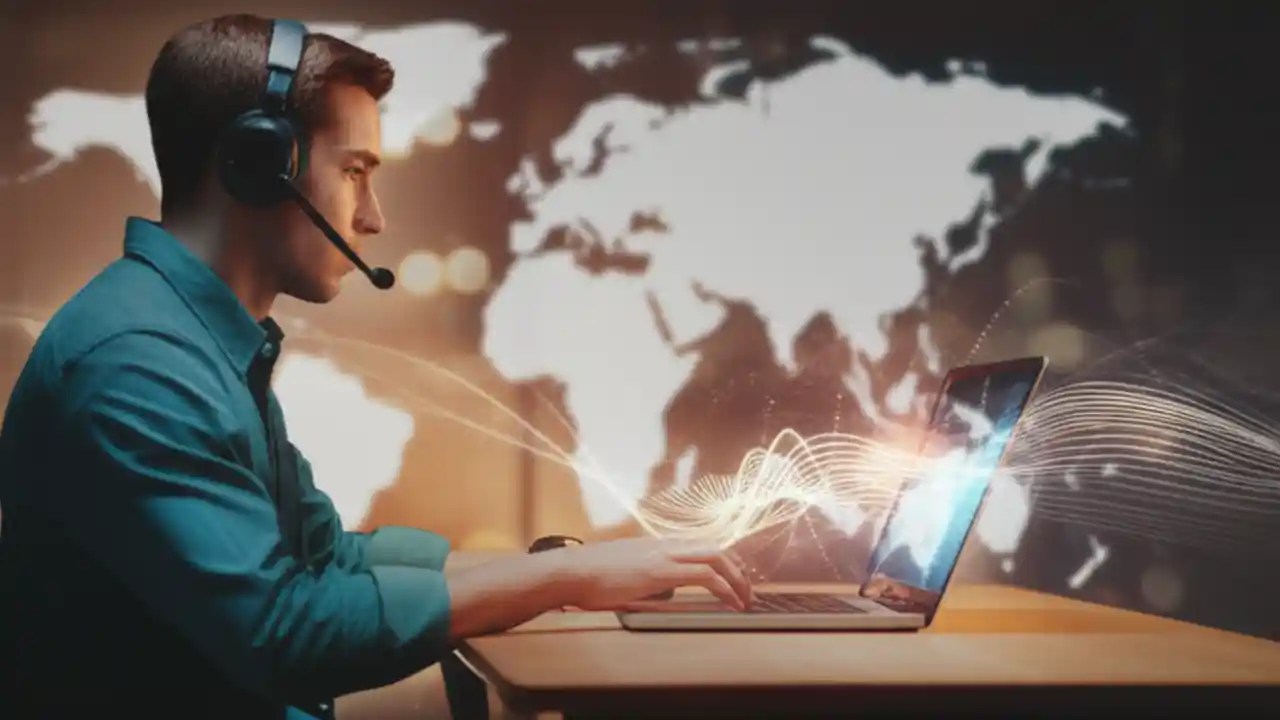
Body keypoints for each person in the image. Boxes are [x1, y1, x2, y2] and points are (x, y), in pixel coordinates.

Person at [0, 14, 752, 718]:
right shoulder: (137, 366)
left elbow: (324, 555)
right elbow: (285, 633)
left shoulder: (195, 338)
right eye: (356, 171)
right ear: (259, 165)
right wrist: (566, 579)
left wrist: (557, 572)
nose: (374, 217)